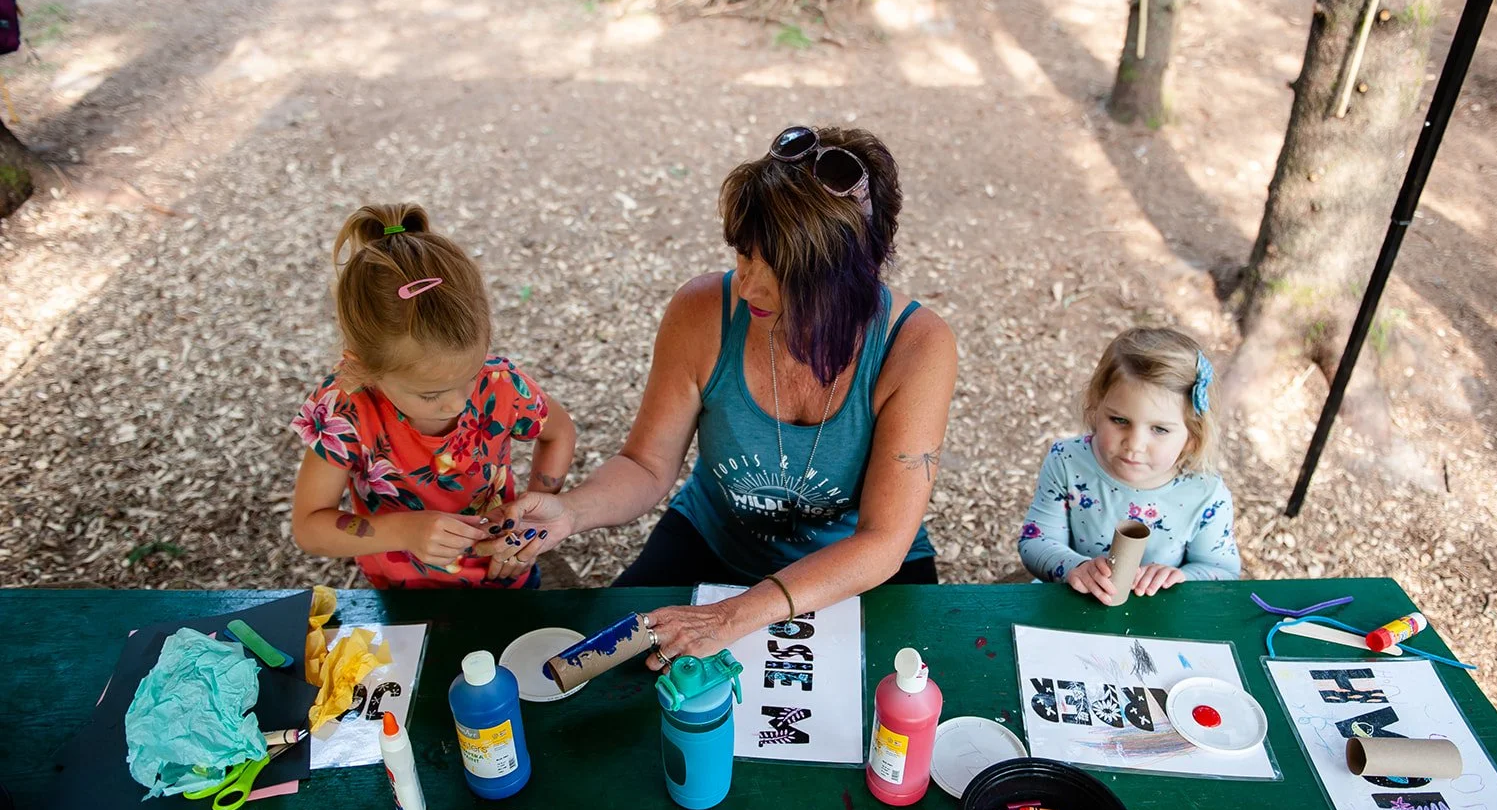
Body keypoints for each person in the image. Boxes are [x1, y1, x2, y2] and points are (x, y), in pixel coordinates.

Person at [475, 126, 957, 663]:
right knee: (603, 672)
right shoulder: (704, 311)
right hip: (716, 537)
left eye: (780, 275)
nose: (747, 286)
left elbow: (882, 542)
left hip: (850, 566)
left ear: (847, 279)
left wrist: (731, 617)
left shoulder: (916, 346)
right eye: (744, 256)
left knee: (901, 707)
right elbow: (645, 463)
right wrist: (569, 512)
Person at [290, 202, 575, 589]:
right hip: (403, 596)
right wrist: (404, 531)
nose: (458, 404)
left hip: (504, 577)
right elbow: (310, 526)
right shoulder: (346, 410)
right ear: (362, 368)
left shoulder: (502, 384)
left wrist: (529, 525)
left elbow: (558, 432)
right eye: (431, 395)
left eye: (471, 377)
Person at [1017, 327, 1239, 600]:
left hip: (1157, 618)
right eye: (1119, 421)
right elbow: (1036, 540)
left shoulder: (1206, 493)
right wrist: (1075, 568)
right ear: (1095, 408)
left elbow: (1222, 571)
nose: (1134, 444)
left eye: (1159, 429)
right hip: (1069, 605)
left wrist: (1182, 576)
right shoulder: (1067, 461)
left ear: (1193, 436)